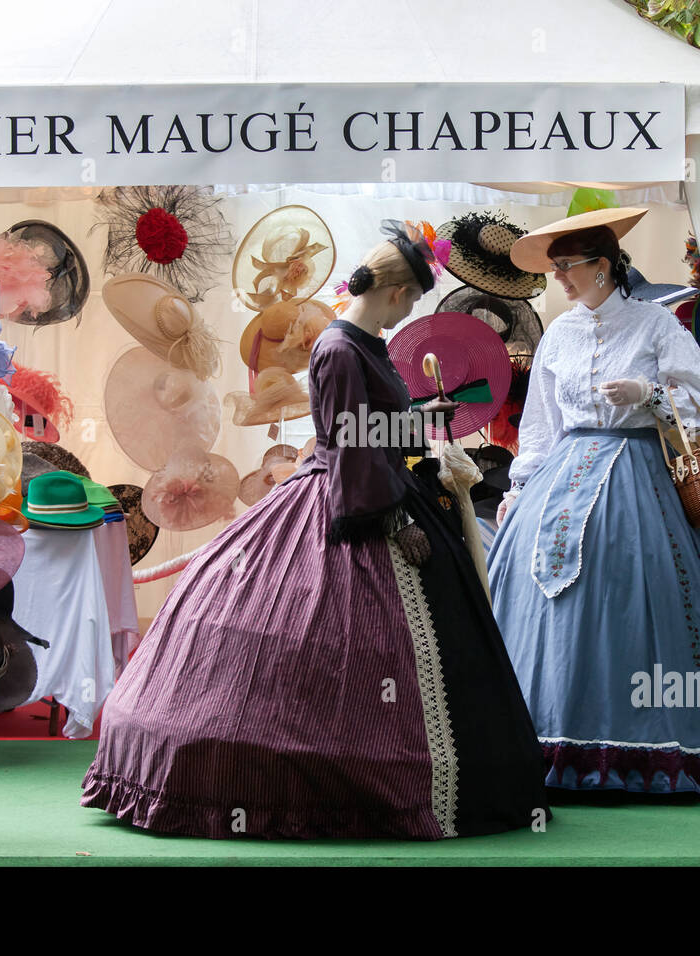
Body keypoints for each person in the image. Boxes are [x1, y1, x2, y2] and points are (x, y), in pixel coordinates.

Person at [82, 222, 549, 839]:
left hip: (374, 485)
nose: (410, 310)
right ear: (392, 291)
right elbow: (348, 444)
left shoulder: (363, 343)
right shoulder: (338, 349)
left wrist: (416, 420)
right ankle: (315, 784)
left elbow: (369, 428)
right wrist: (394, 516)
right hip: (354, 501)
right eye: (410, 298)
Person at [487, 208, 700, 795]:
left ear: (602, 265)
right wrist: (519, 487)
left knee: (638, 596)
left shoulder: (656, 327)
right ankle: (544, 739)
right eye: (555, 269)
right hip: (561, 475)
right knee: (550, 607)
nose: (560, 279)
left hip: (639, 475)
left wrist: (648, 393)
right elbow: (540, 424)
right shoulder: (559, 333)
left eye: (568, 267)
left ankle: (657, 747)